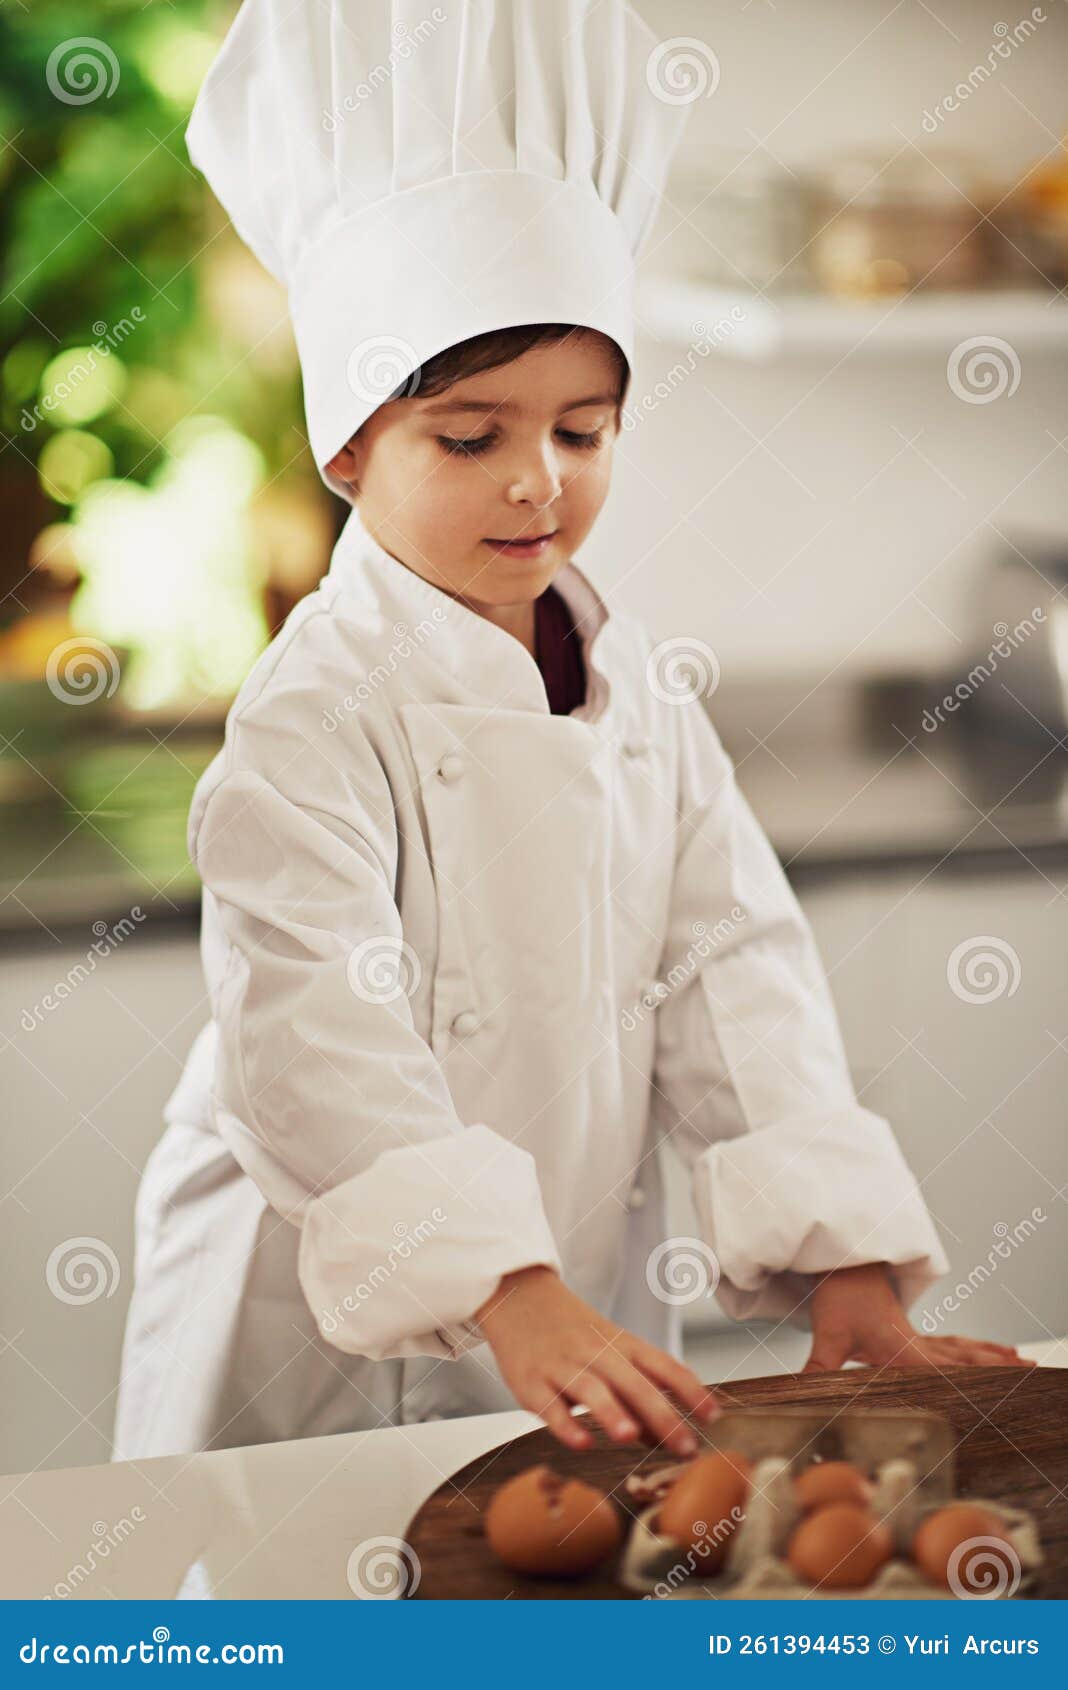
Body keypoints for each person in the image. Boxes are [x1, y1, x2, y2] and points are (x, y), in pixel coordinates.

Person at [112, 0, 1031, 1464]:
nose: (536, 482)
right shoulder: (313, 716)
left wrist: (842, 1256)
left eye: (583, 429)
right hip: (322, 1317)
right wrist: (499, 1279)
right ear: (350, 446)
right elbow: (313, 1031)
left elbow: (733, 964)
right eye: (471, 437)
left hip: (568, 1292)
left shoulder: (632, 684)